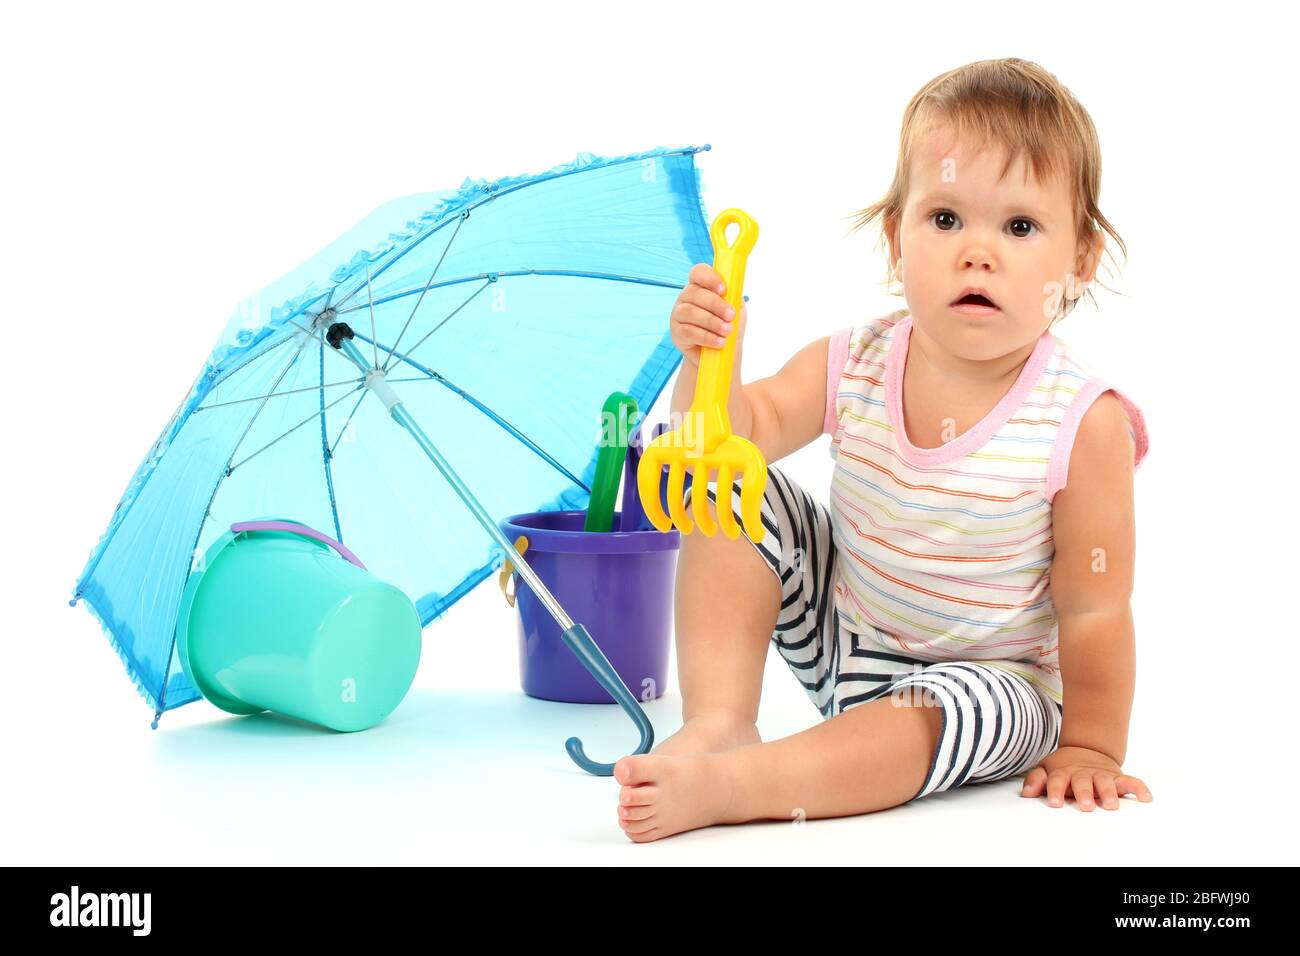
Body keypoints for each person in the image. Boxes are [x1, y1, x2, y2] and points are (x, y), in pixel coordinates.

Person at [614, 57, 1154, 843]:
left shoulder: (1082, 419)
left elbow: (1095, 603)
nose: (978, 252)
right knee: (735, 488)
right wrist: (705, 359)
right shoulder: (856, 358)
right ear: (895, 242)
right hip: (843, 635)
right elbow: (730, 437)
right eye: (945, 219)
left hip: (983, 689)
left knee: (939, 711)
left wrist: (1092, 744)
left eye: (1020, 226)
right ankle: (721, 721)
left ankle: (740, 785)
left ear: (1078, 265)